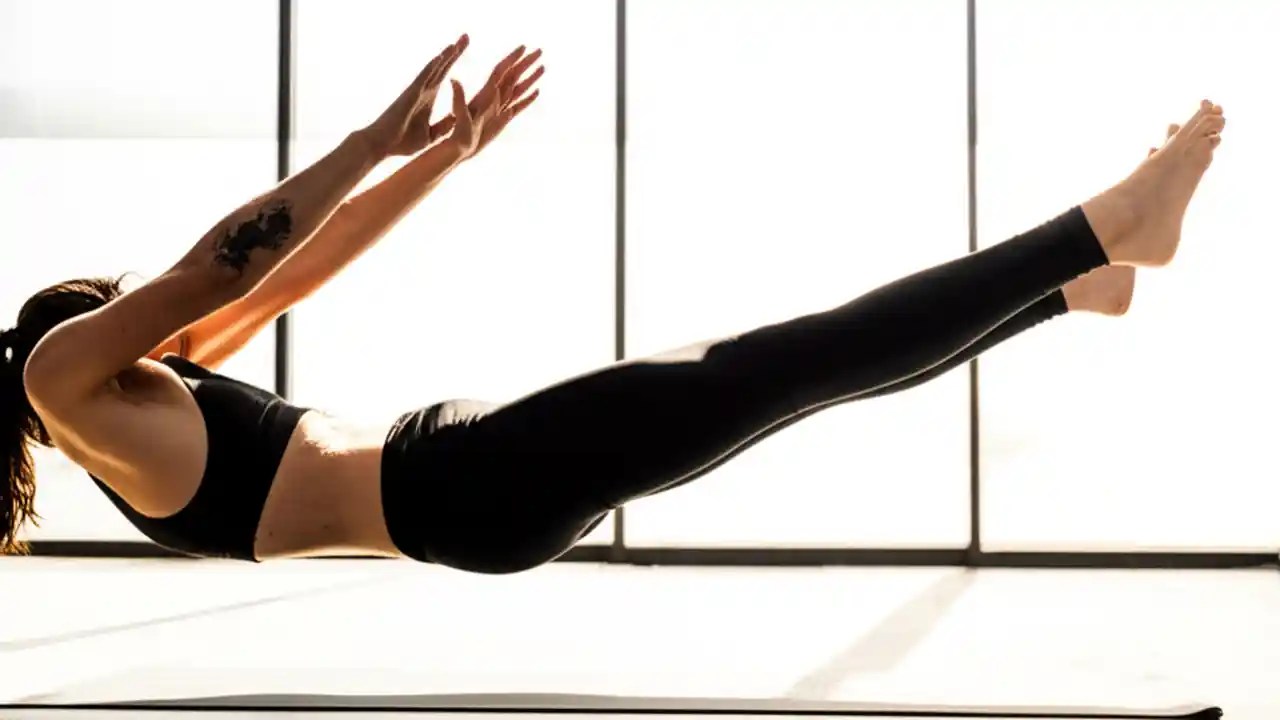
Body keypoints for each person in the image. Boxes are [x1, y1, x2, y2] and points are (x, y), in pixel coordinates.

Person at [0, 35, 1226, 574]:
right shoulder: (68, 379)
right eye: (127, 307)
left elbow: (287, 271)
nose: (150, 310)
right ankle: (1102, 228)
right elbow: (223, 263)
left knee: (791, 382)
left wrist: (439, 158)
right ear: (78, 329)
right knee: (787, 364)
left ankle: (1073, 289)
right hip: (465, 484)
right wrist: (372, 135)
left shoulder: (142, 403)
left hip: (468, 478)